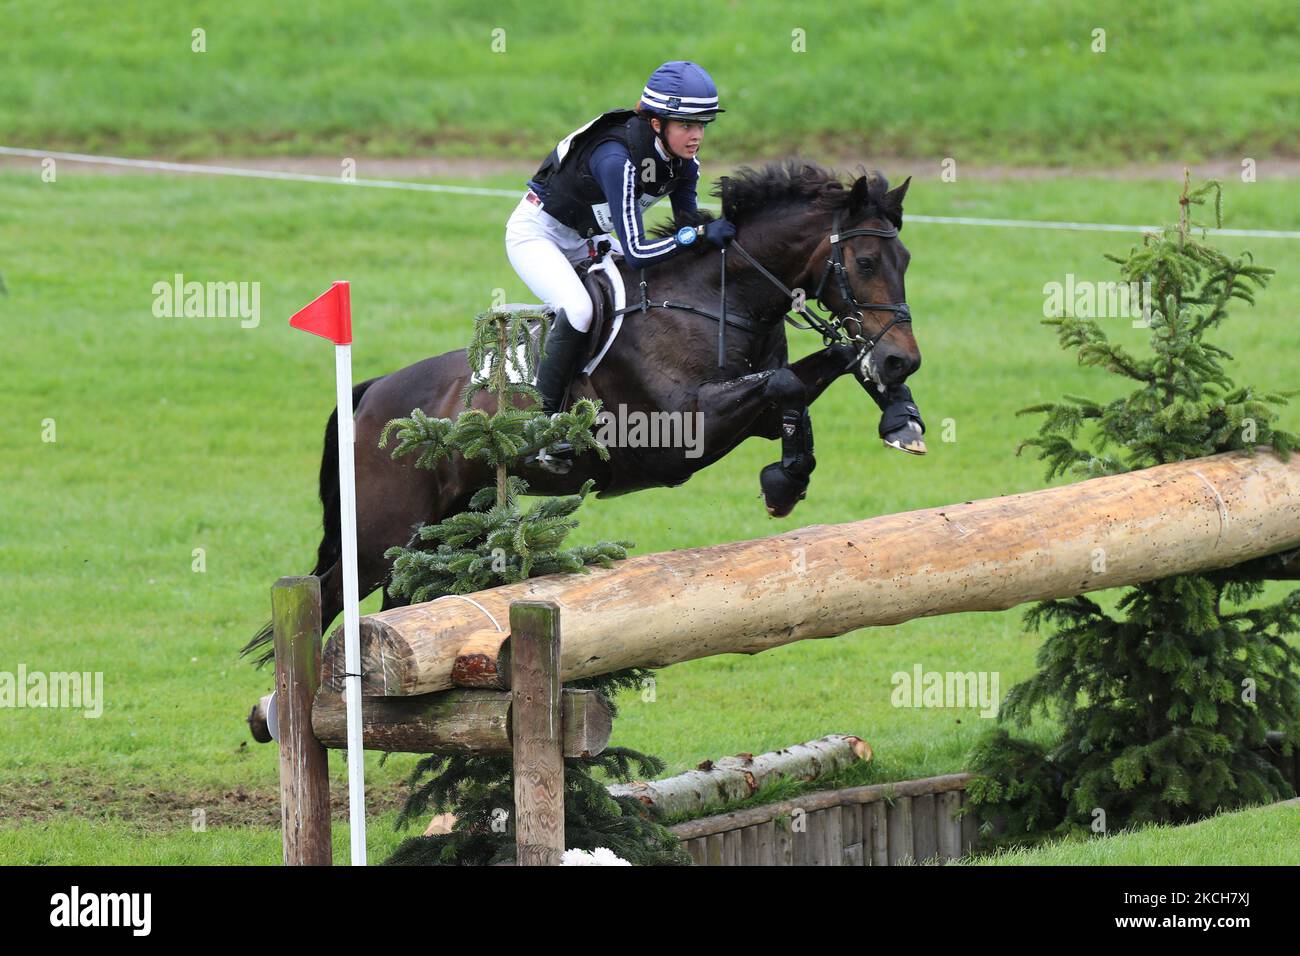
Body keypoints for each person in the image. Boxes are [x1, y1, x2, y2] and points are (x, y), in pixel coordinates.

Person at [505, 60, 735, 465]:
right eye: (686, 124)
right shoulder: (617, 159)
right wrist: (699, 235)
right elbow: (640, 252)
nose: (696, 135)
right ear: (656, 122)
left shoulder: (685, 164)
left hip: (588, 239)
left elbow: (686, 232)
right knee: (578, 309)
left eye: (702, 124)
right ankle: (541, 431)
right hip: (537, 234)